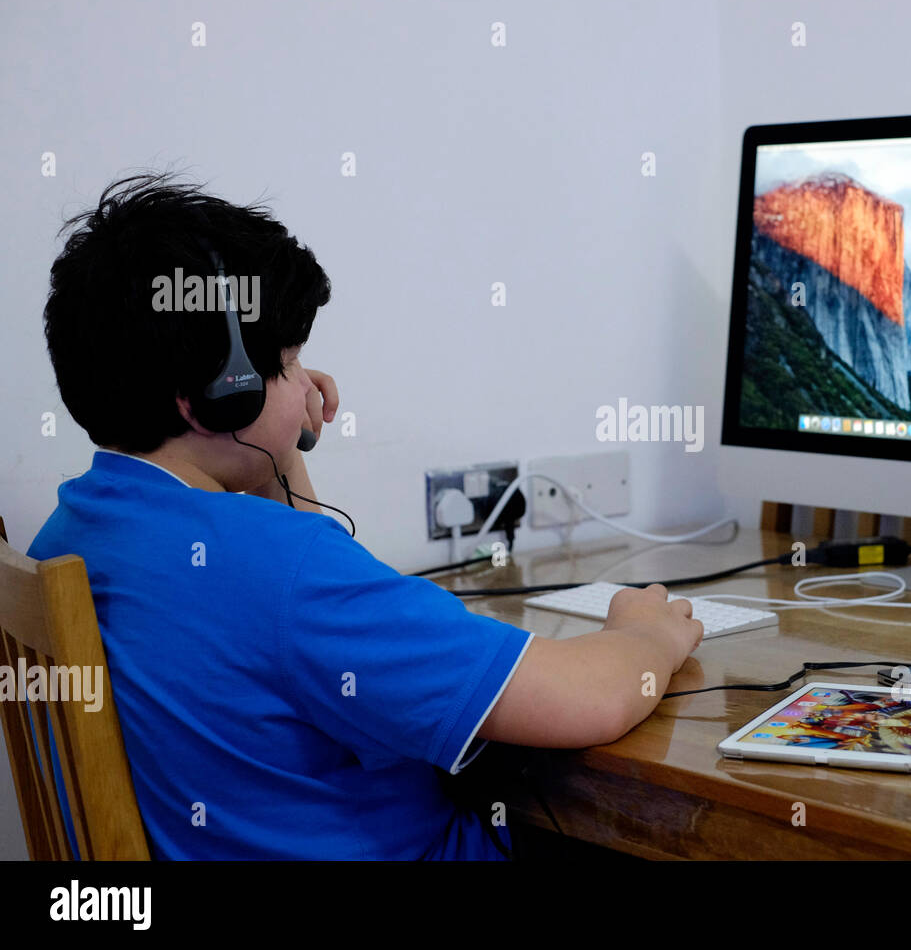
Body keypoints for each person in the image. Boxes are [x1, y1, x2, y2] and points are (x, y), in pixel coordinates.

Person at [27, 173, 703, 859]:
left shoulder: (70, 534)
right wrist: (647, 635)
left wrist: (279, 444)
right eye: (289, 363)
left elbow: (281, 614)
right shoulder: (286, 573)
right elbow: (589, 700)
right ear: (215, 398)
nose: (307, 384)